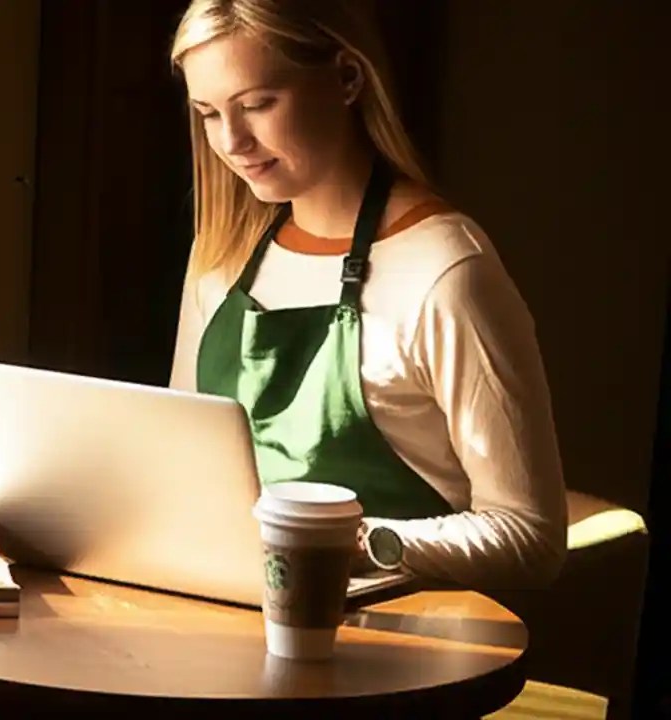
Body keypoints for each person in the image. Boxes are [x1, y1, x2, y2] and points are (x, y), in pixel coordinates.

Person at [166, 0, 567, 590]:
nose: (233, 142)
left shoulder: (445, 270)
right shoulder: (223, 254)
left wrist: (347, 542)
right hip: (231, 613)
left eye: (257, 105)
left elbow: (528, 536)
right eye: (208, 113)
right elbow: (181, 459)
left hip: (393, 640)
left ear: (348, 77)